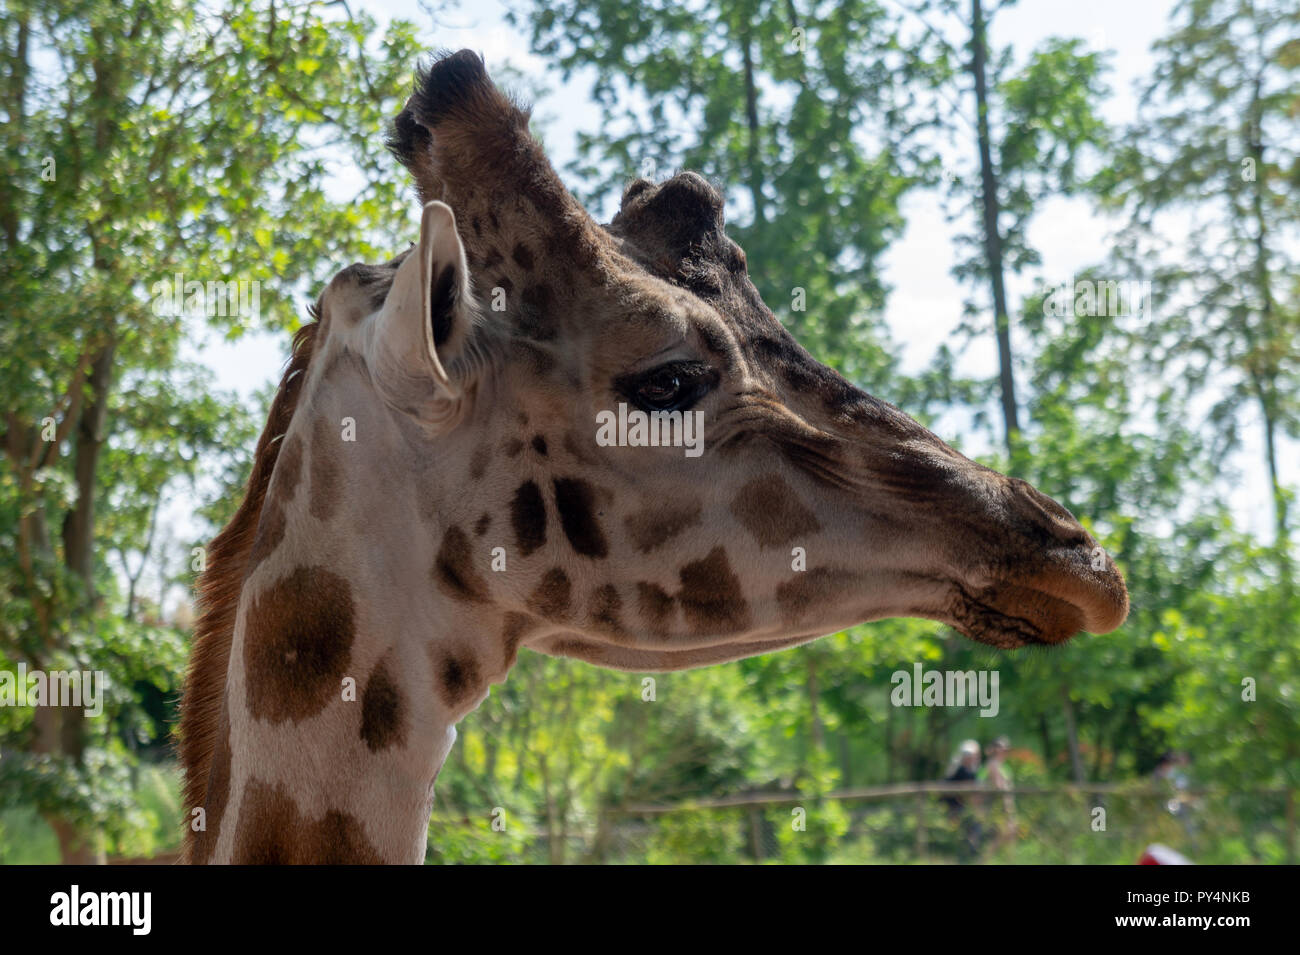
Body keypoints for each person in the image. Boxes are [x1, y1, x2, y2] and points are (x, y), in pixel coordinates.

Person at [943, 740, 983, 859]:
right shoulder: (960, 770)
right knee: (972, 823)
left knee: (974, 823)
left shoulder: (969, 770)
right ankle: (969, 851)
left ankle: (970, 851)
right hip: (954, 808)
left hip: (962, 807)